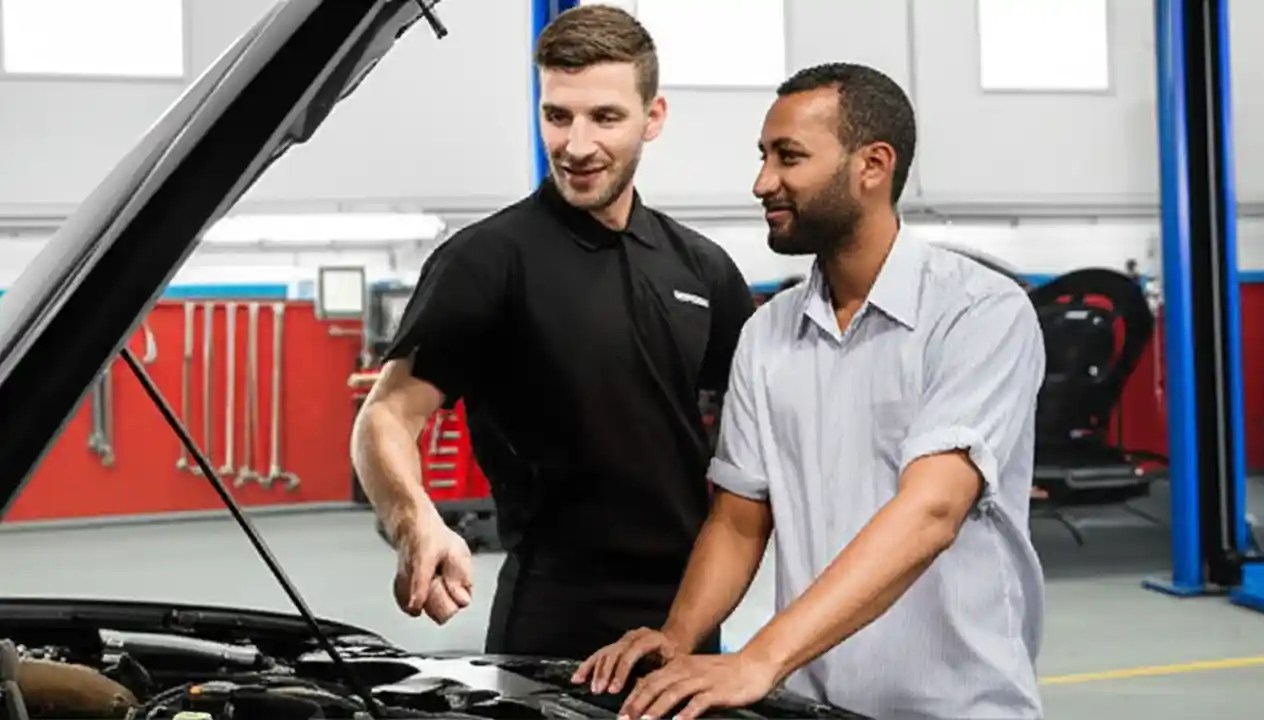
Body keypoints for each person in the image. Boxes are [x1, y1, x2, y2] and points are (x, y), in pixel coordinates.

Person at [572, 62, 1047, 720]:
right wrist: (678, 639)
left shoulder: (979, 313)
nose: (763, 181)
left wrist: (759, 658)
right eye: (764, 157)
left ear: (872, 166)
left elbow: (933, 511)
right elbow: (739, 520)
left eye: (788, 157)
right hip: (813, 703)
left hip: (958, 706)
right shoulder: (768, 332)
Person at [349, 4, 757, 661]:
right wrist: (414, 521)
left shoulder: (701, 268)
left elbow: (768, 417)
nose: (576, 144)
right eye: (557, 115)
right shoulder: (486, 261)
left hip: (687, 612)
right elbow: (386, 417)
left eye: (605, 117)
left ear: (653, 119)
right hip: (552, 612)